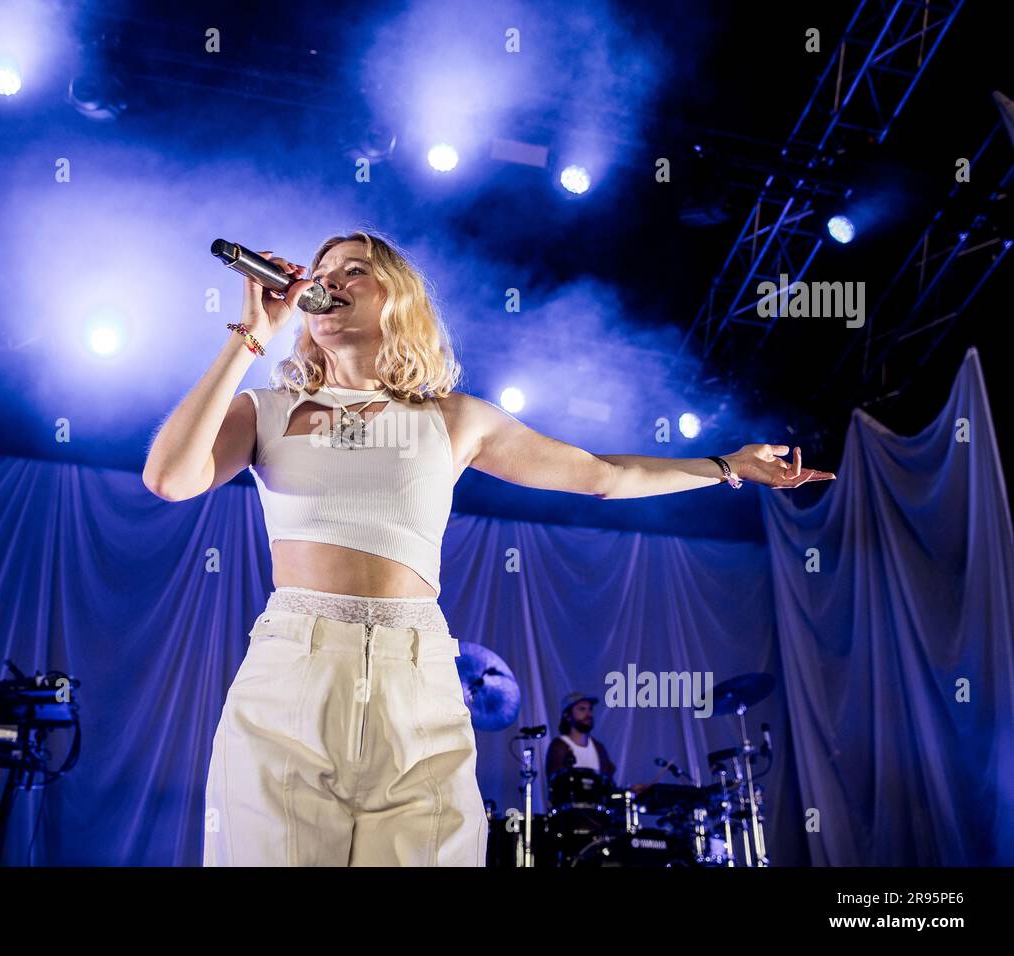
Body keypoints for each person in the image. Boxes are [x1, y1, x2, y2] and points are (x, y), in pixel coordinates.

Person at [142, 230, 834, 867]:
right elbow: (170, 478)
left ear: (398, 299)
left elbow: (600, 476)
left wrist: (727, 466)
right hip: (295, 664)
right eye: (321, 273)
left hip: (416, 676)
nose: (330, 282)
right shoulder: (269, 410)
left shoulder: (455, 418)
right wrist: (250, 338)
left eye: (356, 270)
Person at [546, 693, 616, 785]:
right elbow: (558, 787)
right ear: (567, 715)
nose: (589, 714)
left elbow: (608, 787)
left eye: (590, 709)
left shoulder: (599, 748)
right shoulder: (559, 746)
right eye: (582, 709)